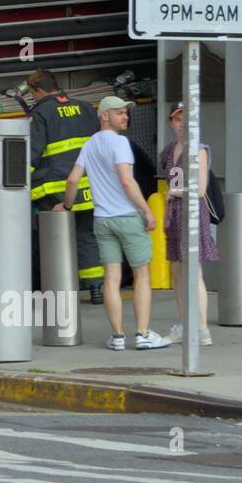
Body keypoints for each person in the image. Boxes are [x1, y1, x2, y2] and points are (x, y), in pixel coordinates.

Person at [57, 95, 170, 350]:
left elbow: (73, 180)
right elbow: (127, 181)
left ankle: (117, 336)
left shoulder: (90, 144)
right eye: (119, 113)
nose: (125, 117)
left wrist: (66, 206)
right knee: (142, 275)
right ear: (104, 116)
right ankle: (142, 334)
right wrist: (147, 211)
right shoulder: (120, 143)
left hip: (103, 220)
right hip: (128, 217)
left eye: (126, 113)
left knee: (111, 278)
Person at [24, 69, 104, 304]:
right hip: (89, 184)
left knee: (54, 238)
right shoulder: (86, 107)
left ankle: (59, 289)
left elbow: (34, 150)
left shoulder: (41, 112)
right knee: (86, 235)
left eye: (32, 94)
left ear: (38, 91)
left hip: (53, 186)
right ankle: (96, 287)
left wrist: (22, 180)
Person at [160, 102, 217, 346]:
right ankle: (186, 324)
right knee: (177, 270)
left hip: (192, 213)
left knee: (193, 270)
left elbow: (201, 189)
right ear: (171, 123)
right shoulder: (169, 150)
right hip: (174, 214)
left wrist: (174, 193)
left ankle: (201, 327)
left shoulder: (198, 150)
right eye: (177, 119)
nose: (182, 124)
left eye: (187, 118)